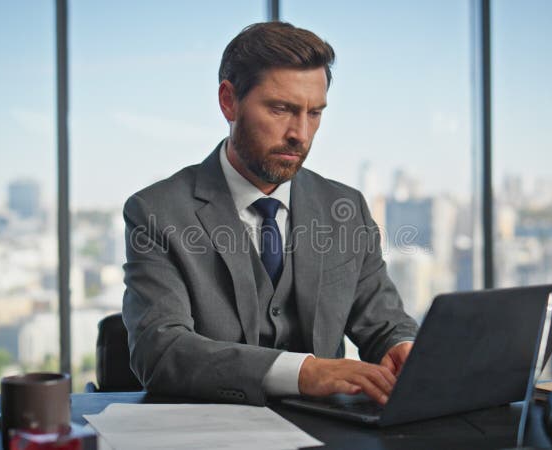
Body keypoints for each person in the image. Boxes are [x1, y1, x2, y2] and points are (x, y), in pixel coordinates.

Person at [122, 22, 418, 407]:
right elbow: (161, 352)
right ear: (229, 101)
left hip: (330, 434)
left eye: (314, 113)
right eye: (281, 109)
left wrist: (402, 346)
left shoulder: (346, 209)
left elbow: (384, 321)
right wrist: (305, 372)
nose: (301, 134)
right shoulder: (156, 212)